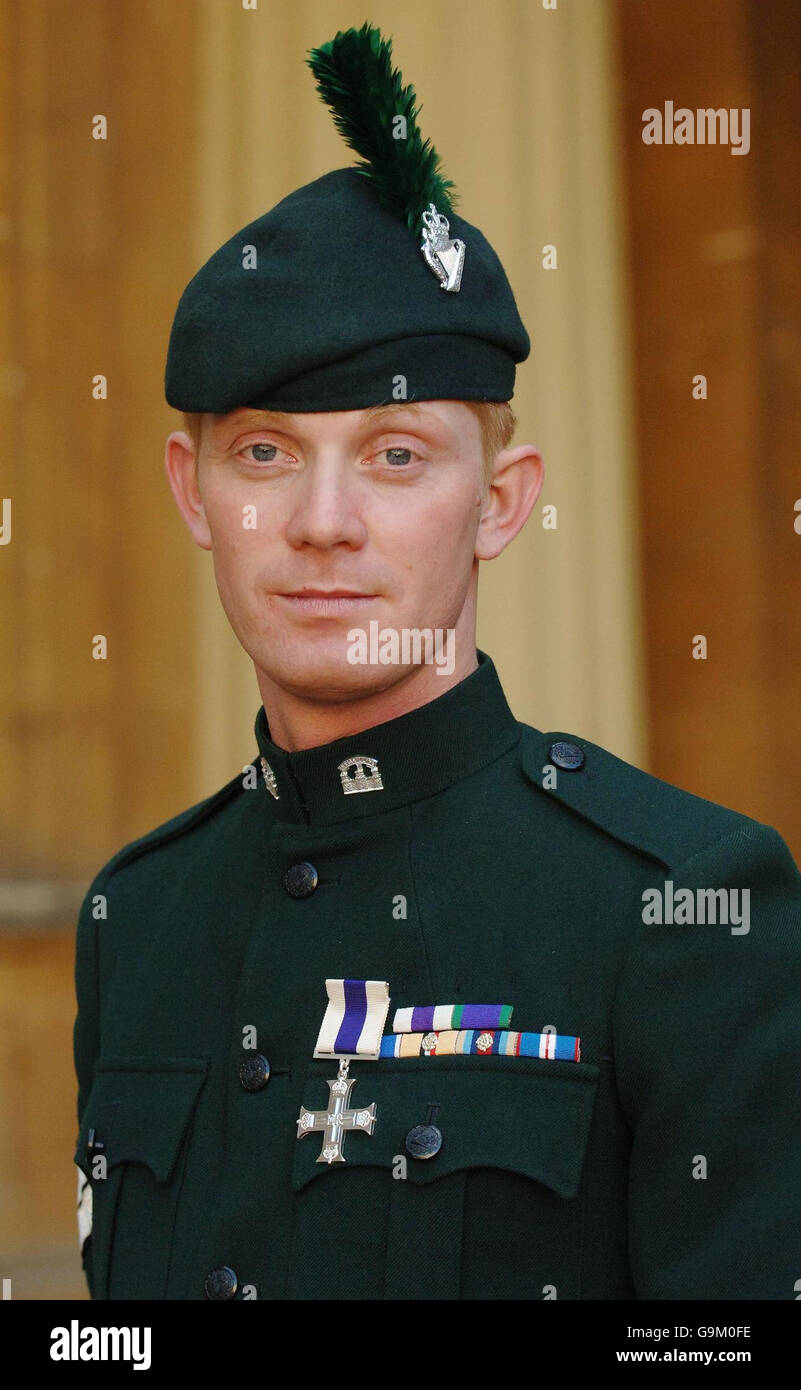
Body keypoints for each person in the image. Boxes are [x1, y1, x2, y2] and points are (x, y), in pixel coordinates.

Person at [73, 23, 801, 1301]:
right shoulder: (138, 916)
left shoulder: (687, 908)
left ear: (503, 502)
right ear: (192, 491)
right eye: (264, 453)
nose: (323, 520)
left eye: (398, 454)